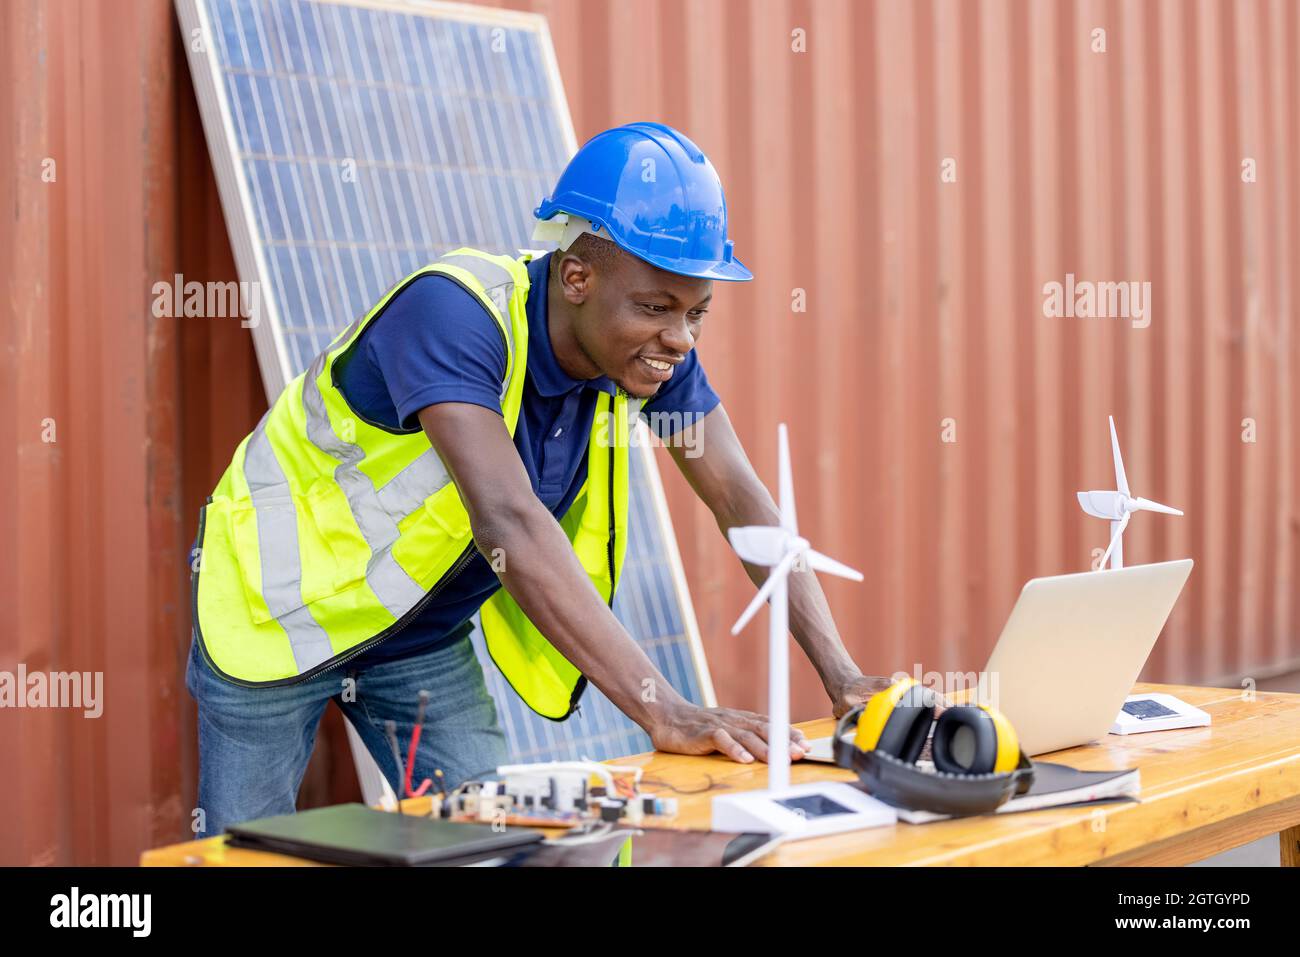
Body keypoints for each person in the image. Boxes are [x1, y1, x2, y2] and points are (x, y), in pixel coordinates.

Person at [186, 121, 891, 835]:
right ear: (577, 277)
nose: (680, 338)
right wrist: (663, 708)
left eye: (697, 312)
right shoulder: (455, 314)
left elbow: (740, 498)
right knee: (245, 853)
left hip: (414, 639)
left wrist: (842, 677)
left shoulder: (648, 351)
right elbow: (509, 523)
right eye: (657, 307)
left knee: (494, 846)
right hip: (273, 612)